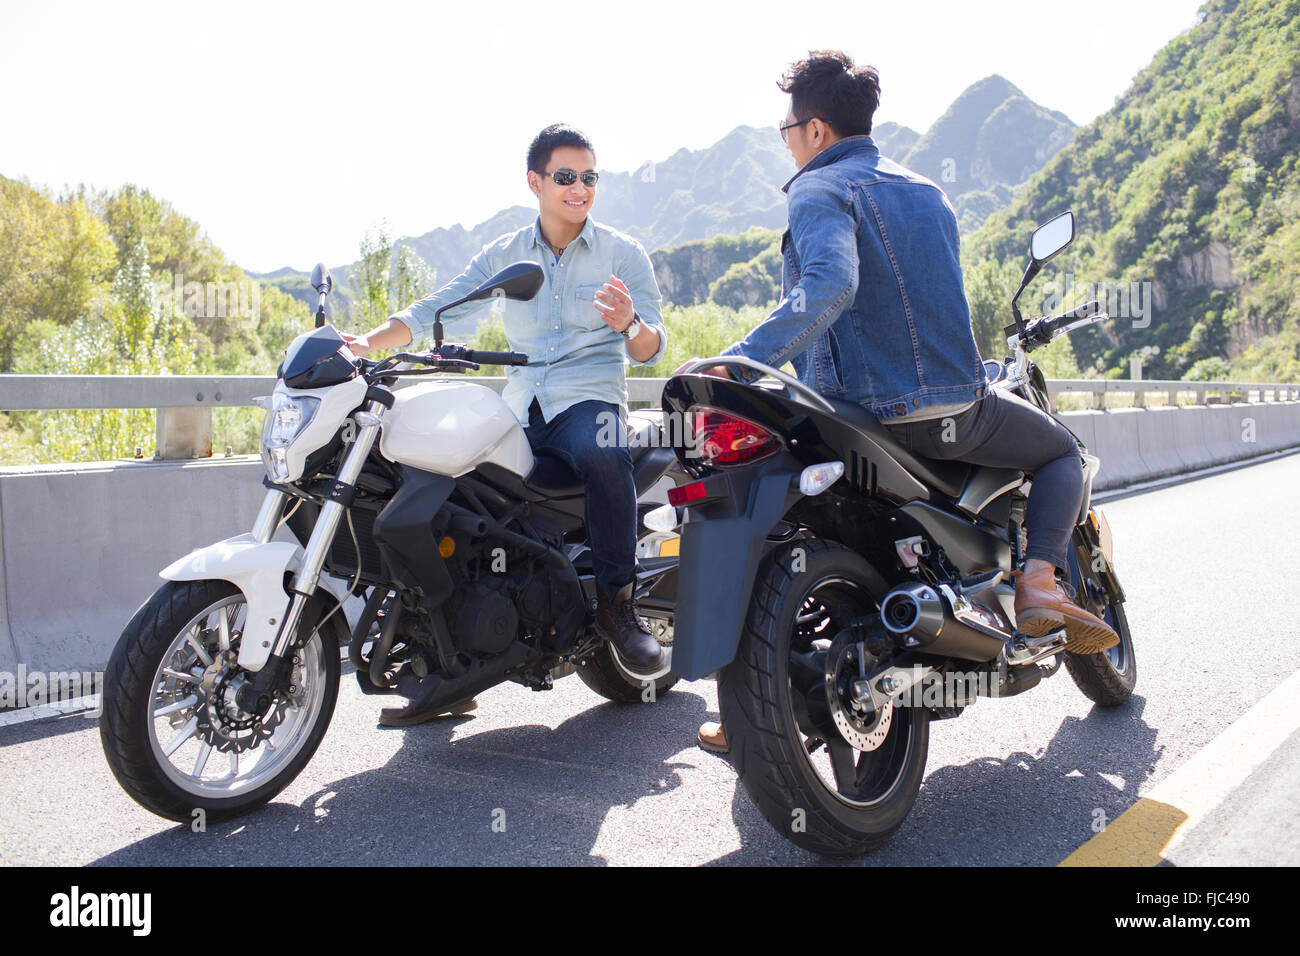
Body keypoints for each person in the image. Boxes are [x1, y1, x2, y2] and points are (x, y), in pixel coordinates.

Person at [681, 51, 1118, 755]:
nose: (786, 143)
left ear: (816, 129)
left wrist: (740, 361)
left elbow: (829, 287)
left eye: (787, 129)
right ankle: (1040, 578)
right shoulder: (928, 193)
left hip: (851, 416)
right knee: (1062, 452)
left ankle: (747, 712)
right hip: (948, 416)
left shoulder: (818, 187)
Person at [344, 123, 669, 724]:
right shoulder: (506, 254)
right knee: (447, 488)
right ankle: (454, 657)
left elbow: (651, 349)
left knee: (604, 453)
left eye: (589, 177)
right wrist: (364, 343)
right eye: (566, 177)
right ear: (535, 182)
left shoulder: (623, 254)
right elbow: (439, 305)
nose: (579, 188)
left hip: (587, 400)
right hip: (520, 406)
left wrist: (630, 324)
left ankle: (618, 607)